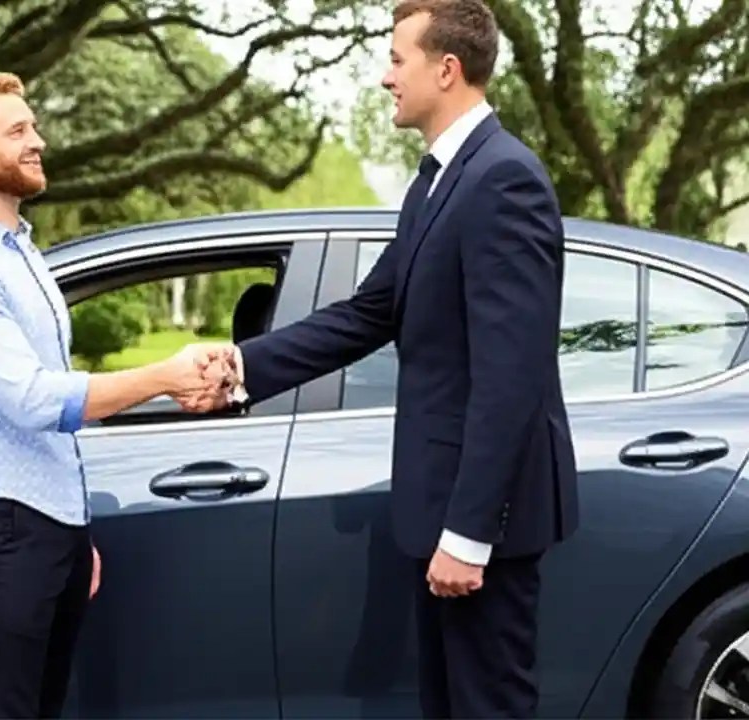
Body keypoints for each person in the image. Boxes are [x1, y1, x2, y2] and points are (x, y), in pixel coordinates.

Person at [193, 1, 579, 717]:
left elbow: (510, 374)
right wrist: (243, 367)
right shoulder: (439, 179)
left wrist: (468, 534)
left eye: (397, 59)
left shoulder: (503, 179)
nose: (384, 77)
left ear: (447, 68)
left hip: (478, 522)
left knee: (487, 706)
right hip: (439, 508)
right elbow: (369, 313)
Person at [0, 71, 226, 719]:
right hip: (3, 526)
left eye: (34, 127)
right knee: (12, 710)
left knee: (43, 708)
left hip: (45, 523)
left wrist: (71, 531)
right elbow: (31, 399)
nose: (39, 142)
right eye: (18, 130)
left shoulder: (16, 250)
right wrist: (166, 376)